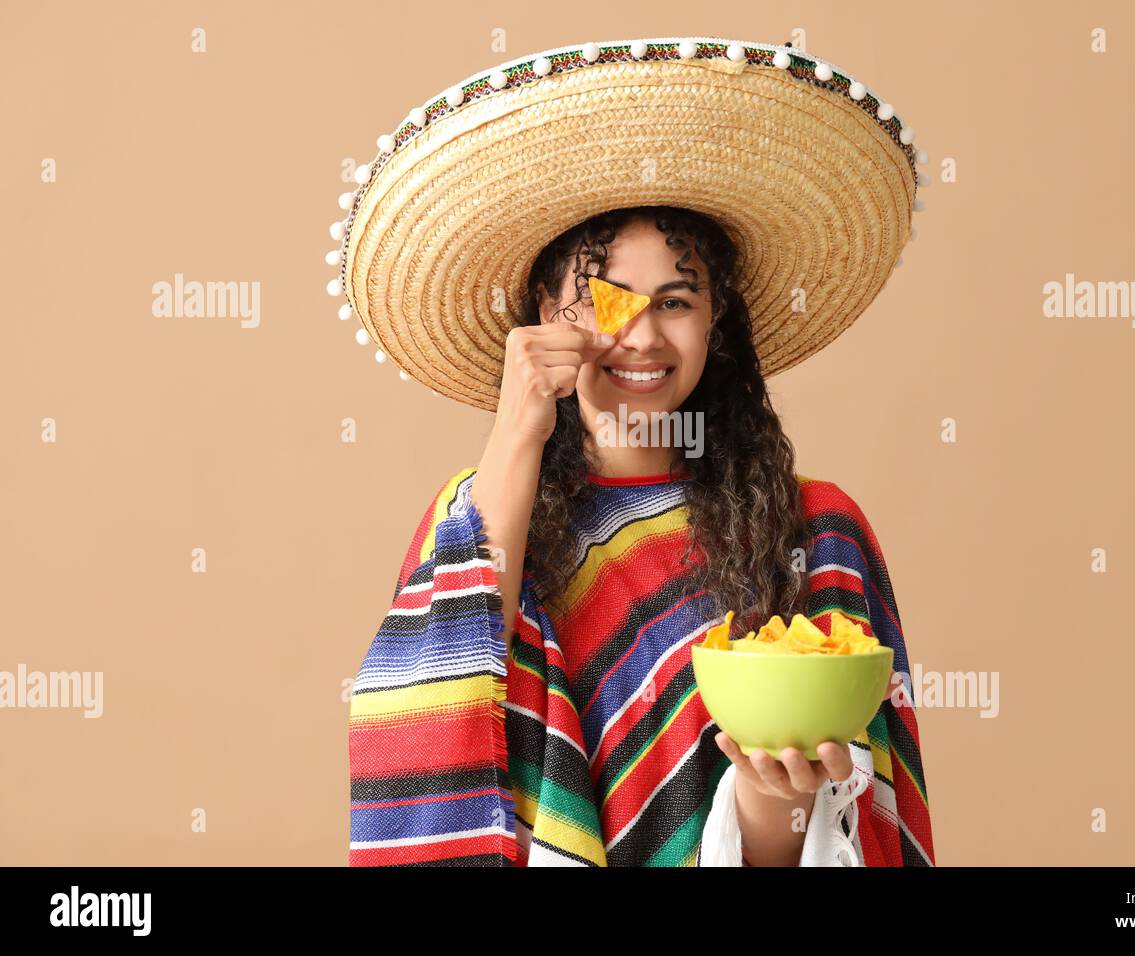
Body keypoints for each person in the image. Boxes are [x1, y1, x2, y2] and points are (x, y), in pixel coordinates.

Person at [335, 37, 934, 866]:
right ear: (548, 311)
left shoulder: (816, 532)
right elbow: (441, 725)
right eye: (605, 297)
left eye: (677, 301)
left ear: (715, 324)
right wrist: (517, 429)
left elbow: (843, 829)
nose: (642, 335)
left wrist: (772, 804)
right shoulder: (476, 520)